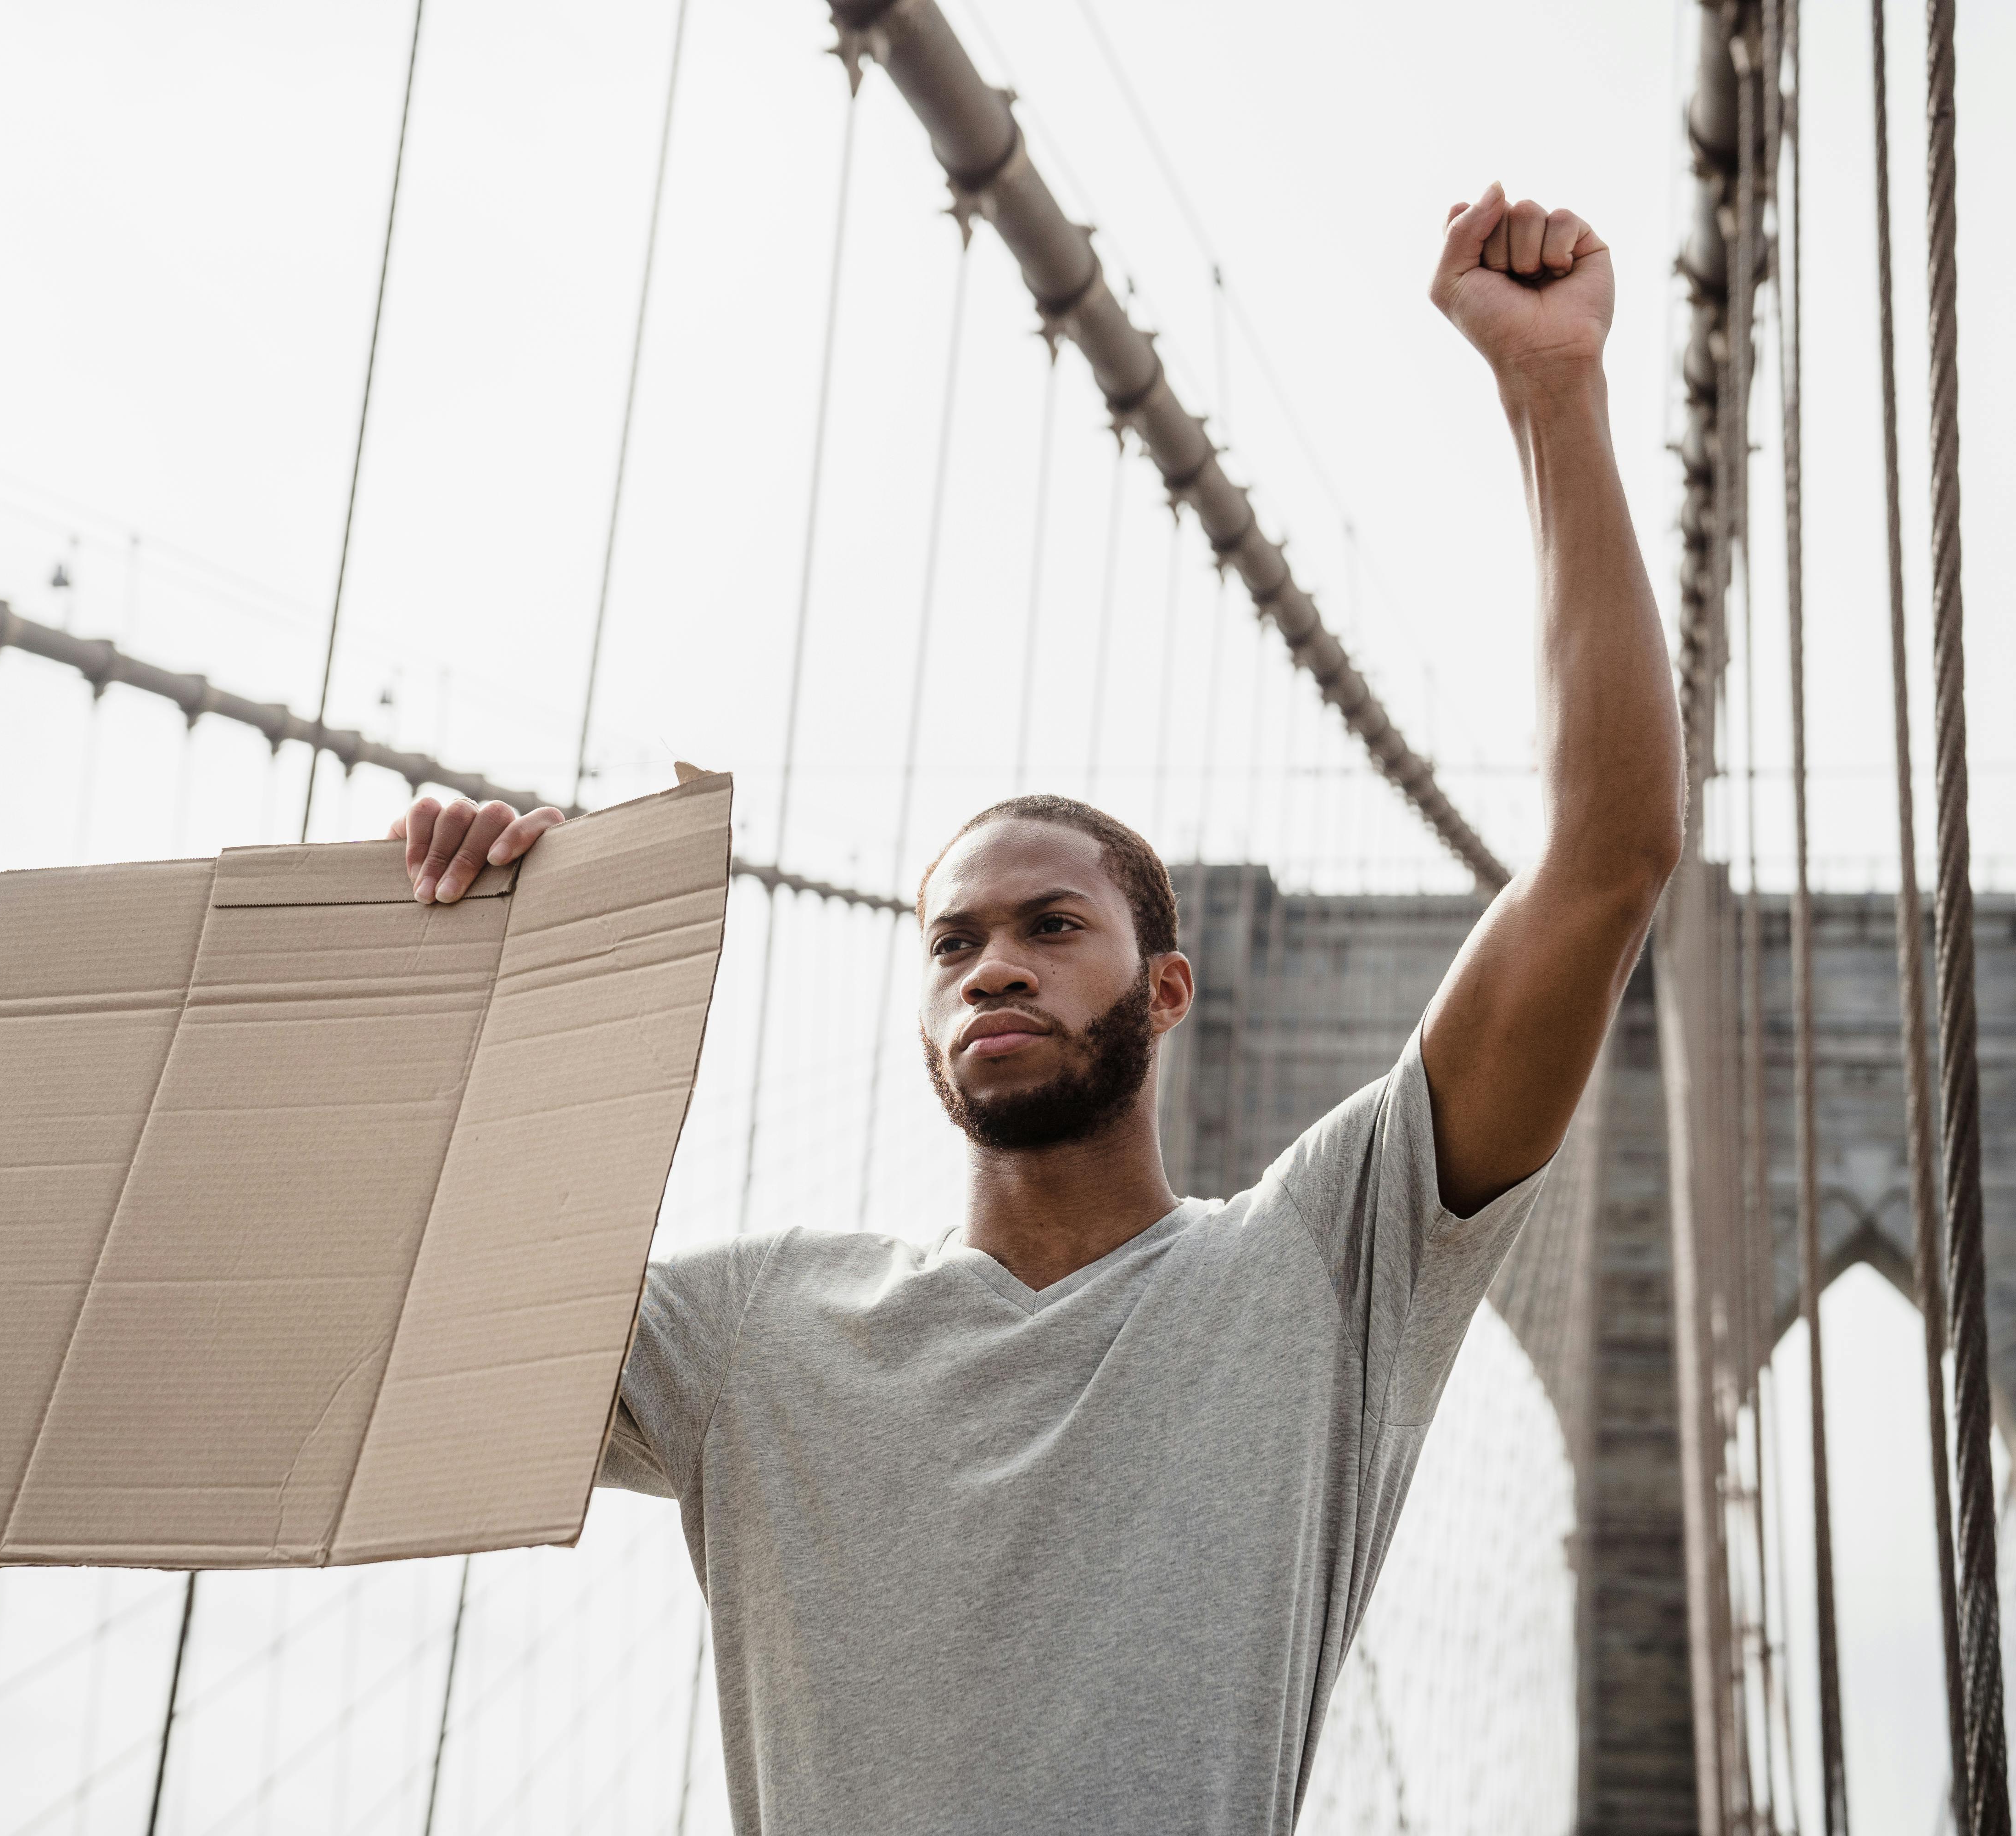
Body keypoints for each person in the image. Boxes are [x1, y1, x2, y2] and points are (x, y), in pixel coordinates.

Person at [388, 184, 1681, 1836]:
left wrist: (1552, 392)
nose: (993, 962)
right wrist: (464, 981)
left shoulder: (1328, 1266)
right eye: (952, 944)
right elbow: (410, 1334)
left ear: (1166, 988)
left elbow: (1607, 859)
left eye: (1051, 925)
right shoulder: (755, 1335)